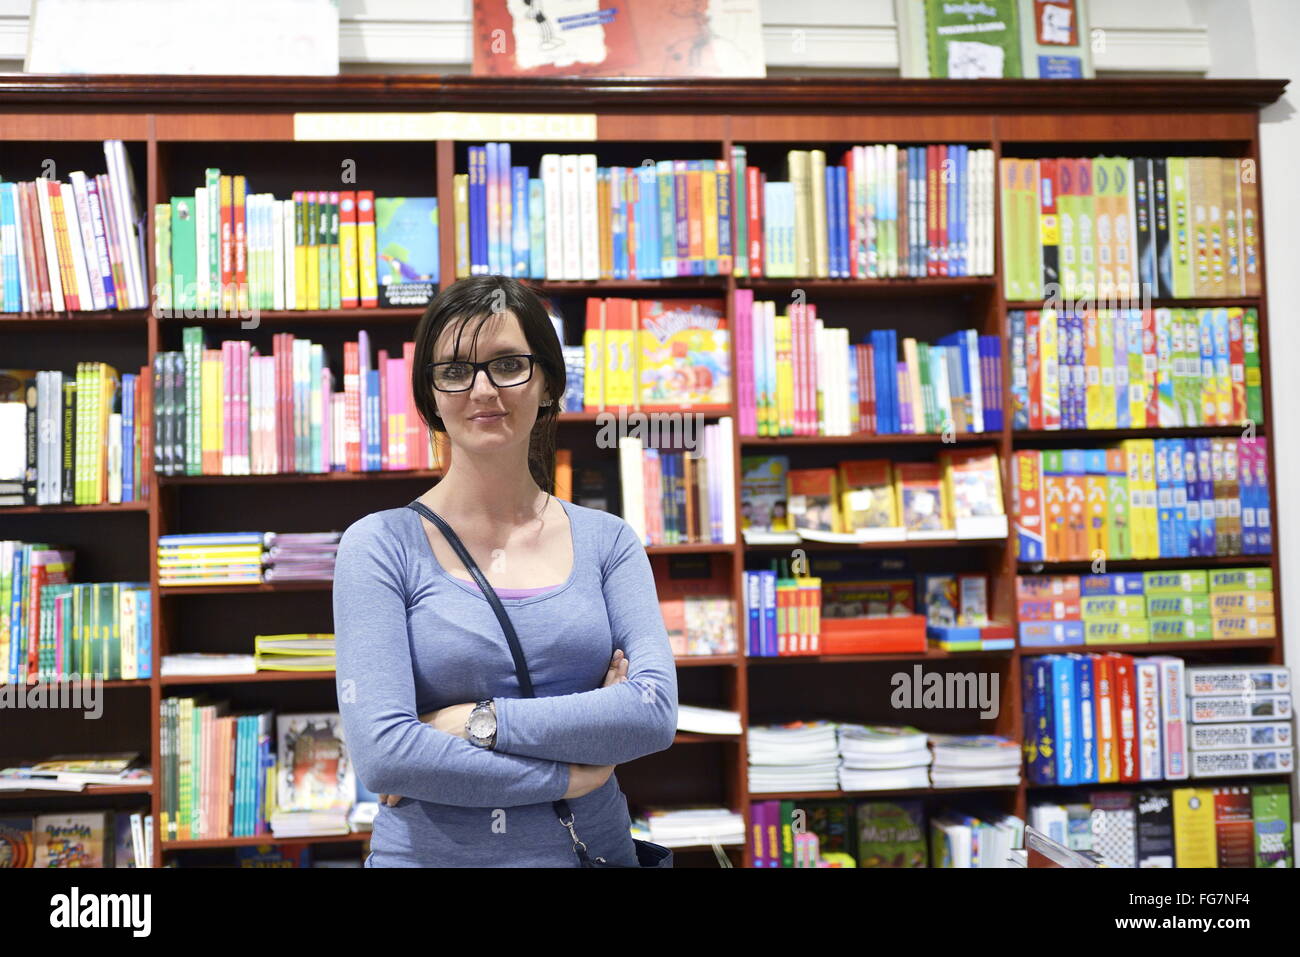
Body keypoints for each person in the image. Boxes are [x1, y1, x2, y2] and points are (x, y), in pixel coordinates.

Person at [333, 276, 679, 866]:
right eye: (455, 371)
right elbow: (386, 755)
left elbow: (650, 714)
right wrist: (570, 776)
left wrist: (470, 721)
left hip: (590, 855)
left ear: (547, 382)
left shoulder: (609, 542)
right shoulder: (378, 545)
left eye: (508, 365)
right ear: (431, 396)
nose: (483, 390)